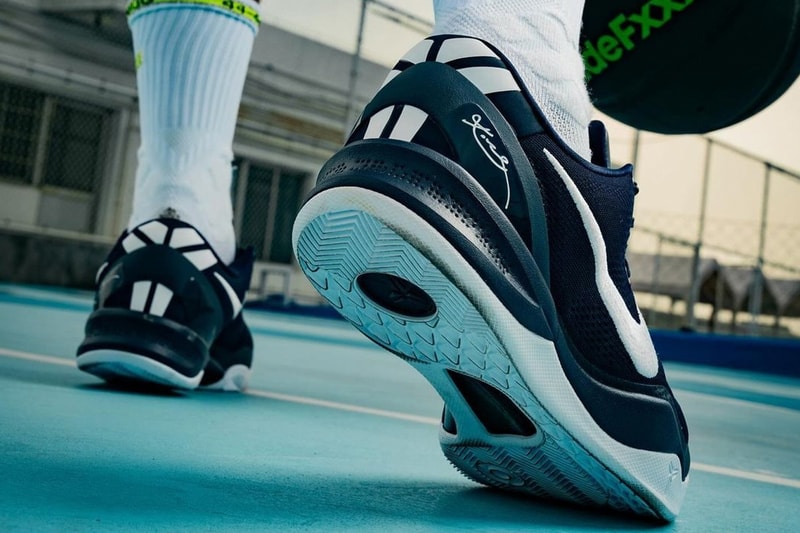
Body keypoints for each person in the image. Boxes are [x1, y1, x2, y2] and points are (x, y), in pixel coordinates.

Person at [76, 0, 690, 520]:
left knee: (179, 197)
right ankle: (518, 82)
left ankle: (172, 239)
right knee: (516, 28)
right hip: (507, 142)